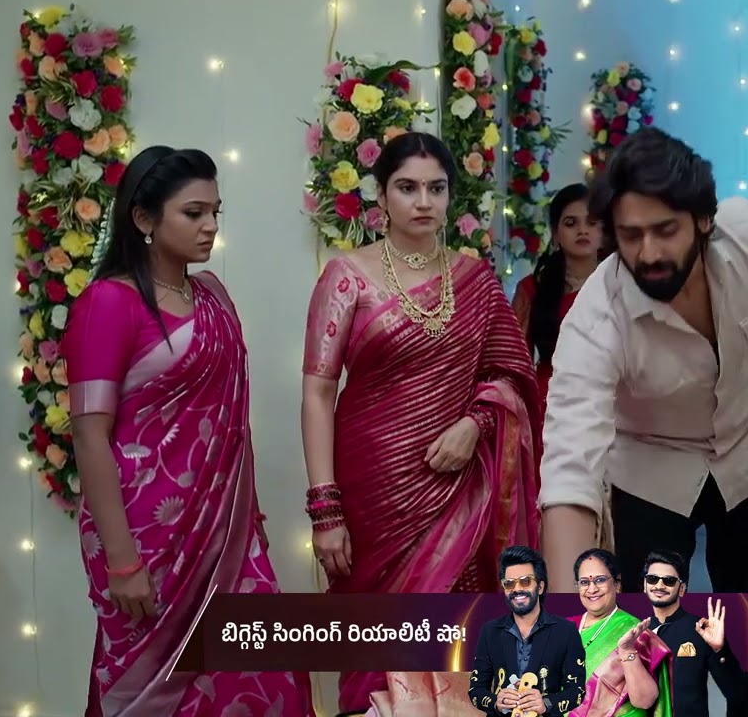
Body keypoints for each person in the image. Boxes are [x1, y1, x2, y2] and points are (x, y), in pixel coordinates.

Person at [537, 127, 748, 716]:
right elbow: (570, 473)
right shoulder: (595, 318)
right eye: (630, 235)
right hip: (651, 474)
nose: (649, 253)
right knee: (651, 652)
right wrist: (571, 630)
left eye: (665, 230)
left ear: (703, 220)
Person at [64, 146, 314, 716]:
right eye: (193, 213)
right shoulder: (108, 303)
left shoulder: (215, 297)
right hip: (147, 536)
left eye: (215, 212)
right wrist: (122, 561)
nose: (210, 227)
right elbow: (89, 435)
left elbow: (230, 426)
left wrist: (245, 518)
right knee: (158, 694)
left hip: (224, 532)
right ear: (144, 218)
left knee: (264, 681)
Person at [300, 132, 542, 713]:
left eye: (436, 188)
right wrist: (325, 508)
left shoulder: (475, 279)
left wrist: (476, 423)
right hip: (372, 492)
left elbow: (512, 374)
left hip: (457, 486)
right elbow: (317, 393)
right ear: (381, 195)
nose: (424, 201)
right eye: (407, 187)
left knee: (457, 637)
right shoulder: (346, 276)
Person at [512, 183, 605, 411]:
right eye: (571, 223)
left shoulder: (619, 283)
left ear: (604, 232)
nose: (582, 230)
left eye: (591, 223)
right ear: (555, 235)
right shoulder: (532, 289)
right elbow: (515, 364)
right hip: (550, 407)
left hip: (610, 404)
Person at [469, 546, 587, 716]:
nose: (517, 589)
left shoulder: (566, 631)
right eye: (509, 583)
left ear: (540, 587)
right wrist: (496, 702)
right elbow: (476, 690)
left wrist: (546, 704)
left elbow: (577, 692)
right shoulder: (490, 631)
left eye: (525, 581)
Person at [567, 548, 673, 716]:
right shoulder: (564, 629)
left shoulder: (634, 631)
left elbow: (645, 701)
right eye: (584, 582)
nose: (592, 589)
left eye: (600, 580)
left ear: (616, 584)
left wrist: (627, 650)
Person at [641, 551, 747, 717]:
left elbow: (736, 692)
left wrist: (719, 649)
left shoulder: (701, 630)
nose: (659, 586)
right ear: (645, 585)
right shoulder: (636, 633)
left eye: (669, 581)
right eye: (652, 579)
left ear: (682, 589)